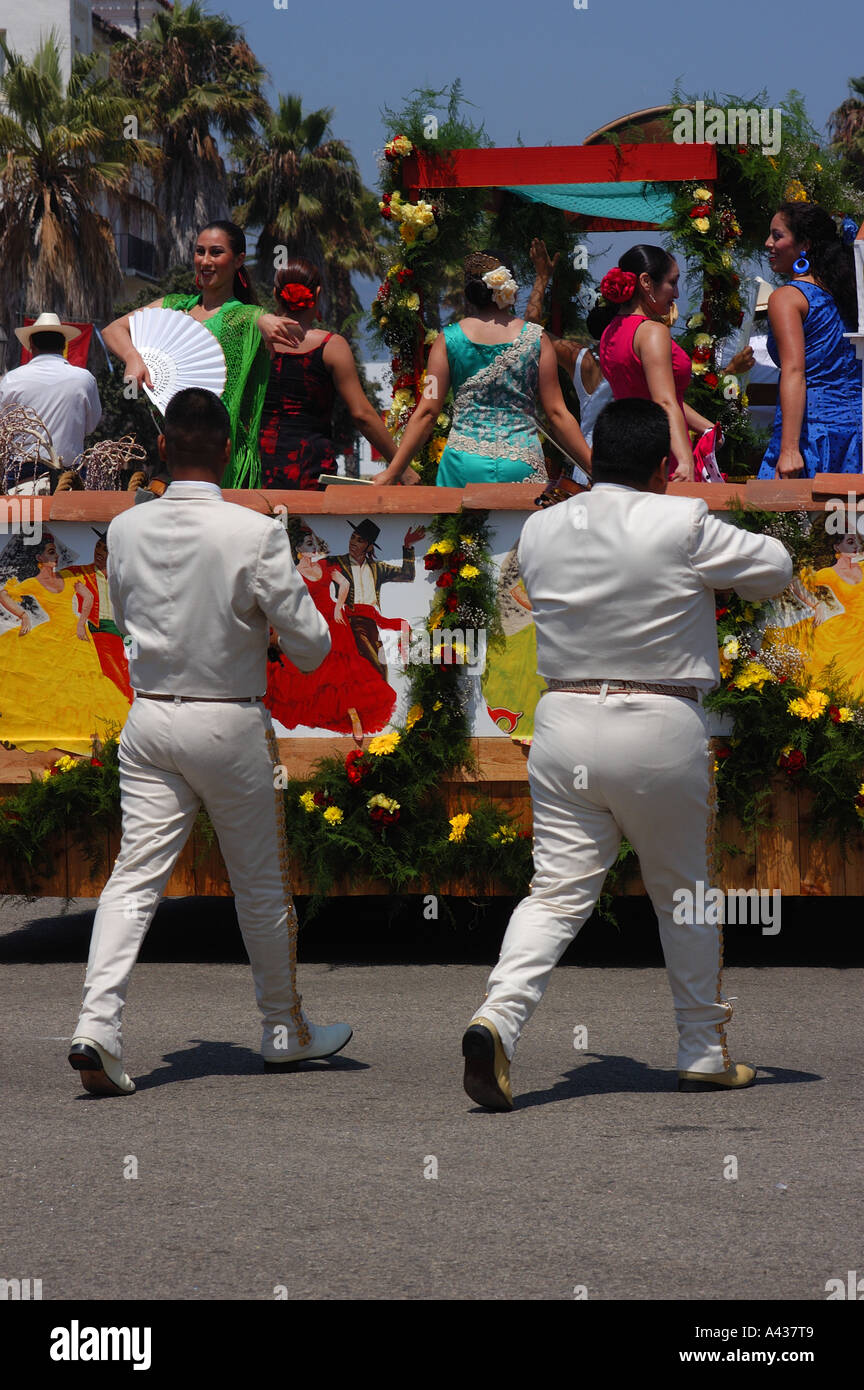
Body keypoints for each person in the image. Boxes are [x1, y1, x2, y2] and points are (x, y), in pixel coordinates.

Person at [461, 397, 793, 1111]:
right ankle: (702, 1049)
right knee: (684, 894)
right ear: (663, 467)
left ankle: (498, 1018)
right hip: (657, 721)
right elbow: (777, 565)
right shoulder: (681, 518)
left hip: (564, 718)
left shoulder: (542, 528)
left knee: (554, 893)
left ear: (594, 458)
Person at [67, 388, 352, 1097]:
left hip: (152, 715)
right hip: (227, 720)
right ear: (228, 450)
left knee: (133, 880)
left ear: (163, 447)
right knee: (259, 888)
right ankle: (282, 1029)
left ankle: (97, 1026)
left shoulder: (128, 530)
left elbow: (128, 614)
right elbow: (313, 649)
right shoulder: (251, 532)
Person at [101, 221, 303, 489]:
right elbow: (113, 329)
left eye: (216, 252)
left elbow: (281, 329)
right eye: (200, 251)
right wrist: (133, 358)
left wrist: (266, 320)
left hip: (222, 457)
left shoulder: (247, 317)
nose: (205, 261)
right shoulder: (172, 307)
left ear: (239, 260)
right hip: (177, 448)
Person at [373, 252, 592, 488]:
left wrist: (393, 472)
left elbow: (427, 413)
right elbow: (558, 414)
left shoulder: (448, 339)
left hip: (463, 466)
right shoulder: (537, 339)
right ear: (511, 287)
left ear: (471, 292)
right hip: (520, 465)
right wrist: (595, 469)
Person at [598, 246, 753, 482]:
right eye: (672, 282)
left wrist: (706, 427)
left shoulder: (610, 332)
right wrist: (685, 460)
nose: (677, 293)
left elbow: (652, 395)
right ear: (646, 282)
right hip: (661, 450)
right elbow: (664, 401)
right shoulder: (652, 332)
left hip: (625, 448)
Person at [259, 259, 398, 489]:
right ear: (318, 294)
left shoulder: (255, 341)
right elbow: (362, 415)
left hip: (259, 469)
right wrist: (400, 465)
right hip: (309, 470)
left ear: (275, 295)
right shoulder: (331, 346)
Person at [0, 531, 131, 753]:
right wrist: (23, 615)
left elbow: (91, 597)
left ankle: (109, 735)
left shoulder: (117, 576)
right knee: (61, 685)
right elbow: (5, 594)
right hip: (76, 634)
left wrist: (81, 621)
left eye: (105, 548)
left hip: (97, 633)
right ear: (39, 558)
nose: (99, 552)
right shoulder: (62, 576)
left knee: (104, 685)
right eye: (98, 546)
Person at [265, 526, 397, 743]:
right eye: (308, 543)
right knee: (316, 673)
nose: (313, 547)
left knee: (345, 673)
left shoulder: (325, 565)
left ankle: (354, 713)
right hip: (311, 621)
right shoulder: (293, 573)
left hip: (334, 620)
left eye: (313, 542)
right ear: (297, 548)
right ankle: (335, 711)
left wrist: (338, 606)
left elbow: (343, 583)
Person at [758, 202, 862, 478]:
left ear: (804, 244)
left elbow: (794, 371)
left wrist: (789, 449)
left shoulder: (787, 297)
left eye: (777, 235)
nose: (768, 243)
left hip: (812, 433)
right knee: (850, 518)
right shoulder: (847, 294)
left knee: (793, 519)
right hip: (855, 432)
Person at [525, 238, 614, 447]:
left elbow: (529, 331)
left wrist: (542, 277)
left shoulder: (584, 360)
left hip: (590, 458)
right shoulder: (643, 356)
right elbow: (529, 333)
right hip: (621, 462)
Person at [0, 313, 102, 482]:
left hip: (21, 471)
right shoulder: (85, 379)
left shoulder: (12, 379)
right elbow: (90, 427)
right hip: (69, 472)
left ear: (31, 344)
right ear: (64, 345)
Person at [327, 518, 424, 680]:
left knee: (382, 670)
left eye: (360, 540)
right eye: (352, 537)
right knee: (376, 668)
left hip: (372, 622)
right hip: (351, 622)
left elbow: (407, 575)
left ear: (369, 546)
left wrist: (407, 546)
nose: (353, 542)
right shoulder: (337, 562)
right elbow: (313, 568)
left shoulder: (377, 568)